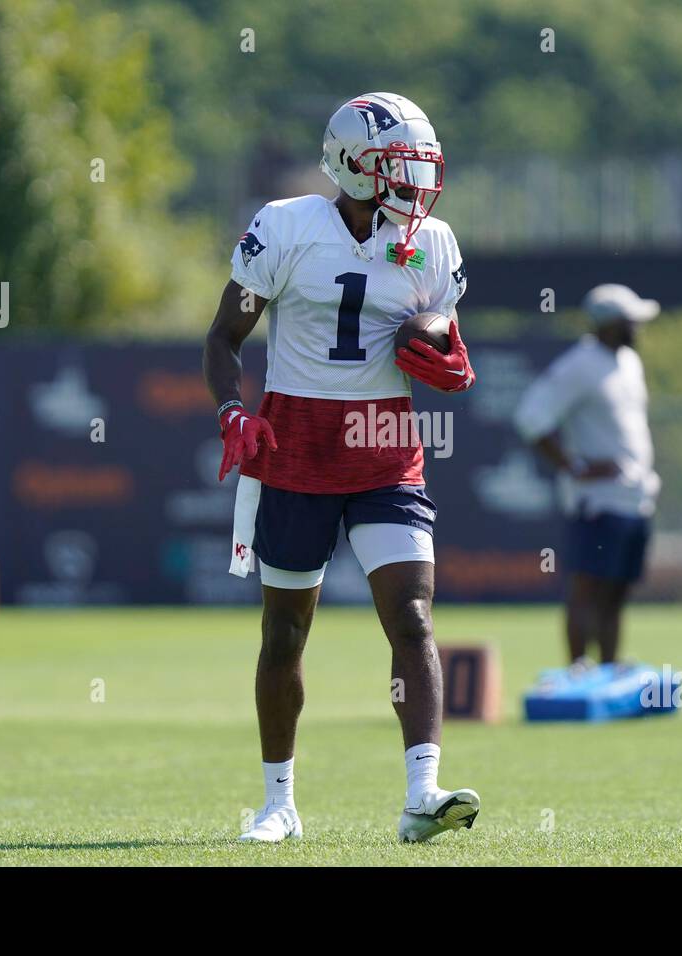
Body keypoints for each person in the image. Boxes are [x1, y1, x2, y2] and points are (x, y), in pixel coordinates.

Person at [202, 92, 480, 844]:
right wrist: (234, 411)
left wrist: (450, 357)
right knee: (285, 633)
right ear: (353, 166)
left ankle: (422, 793)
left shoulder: (433, 242)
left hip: (386, 449)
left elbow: (445, 339)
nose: (414, 183)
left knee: (413, 617)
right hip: (295, 450)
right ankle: (278, 804)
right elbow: (224, 337)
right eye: (399, 166)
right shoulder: (287, 227)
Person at [514, 284, 661, 667]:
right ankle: (578, 670)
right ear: (609, 325)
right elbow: (531, 416)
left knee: (616, 591)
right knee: (588, 586)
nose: (637, 329)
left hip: (634, 497)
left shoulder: (629, 361)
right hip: (598, 501)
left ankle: (609, 671)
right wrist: (576, 467)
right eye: (630, 322)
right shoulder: (579, 364)